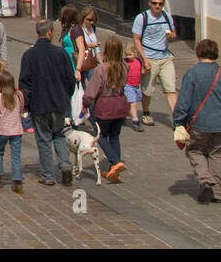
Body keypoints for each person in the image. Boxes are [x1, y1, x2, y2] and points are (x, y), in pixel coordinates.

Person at [173, 38, 221, 203]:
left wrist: (178, 120)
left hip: (200, 123)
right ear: (215, 53)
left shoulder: (192, 73)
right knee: (217, 154)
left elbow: (184, 101)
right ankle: (217, 192)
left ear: (198, 53)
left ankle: (205, 181)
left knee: (195, 150)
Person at [19, 18, 76, 186]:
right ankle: (65, 164)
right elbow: (70, 79)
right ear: (49, 32)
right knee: (59, 134)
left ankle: (48, 175)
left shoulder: (29, 55)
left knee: (44, 139)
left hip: (39, 104)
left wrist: (27, 105)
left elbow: (24, 83)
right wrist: (66, 96)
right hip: (59, 103)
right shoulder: (60, 53)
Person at [82, 36, 131, 183]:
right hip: (121, 104)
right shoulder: (124, 66)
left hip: (105, 106)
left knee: (101, 136)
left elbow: (91, 92)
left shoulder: (101, 69)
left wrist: (85, 104)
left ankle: (115, 162)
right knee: (114, 136)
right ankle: (114, 171)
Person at [132, 0, 178, 126]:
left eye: (160, 4)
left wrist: (172, 37)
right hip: (149, 58)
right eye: (154, 3)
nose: (157, 6)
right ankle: (146, 112)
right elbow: (136, 39)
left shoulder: (166, 16)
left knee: (171, 89)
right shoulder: (142, 18)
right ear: (149, 4)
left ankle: (177, 121)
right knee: (148, 90)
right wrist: (144, 59)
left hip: (165, 58)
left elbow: (174, 33)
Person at [0, 71, 25, 194]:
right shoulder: (19, 95)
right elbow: (21, 109)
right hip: (16, 130)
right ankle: (17, 181)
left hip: (2, 130)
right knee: (16, 156)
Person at [123, 42, 144, 129]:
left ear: (135, 53)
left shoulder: (139, 61)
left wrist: (144, 71)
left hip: (136, 86)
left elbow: (141, 70)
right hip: (128, 85)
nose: (128, 56)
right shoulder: (124, 62)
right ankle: (135, 121)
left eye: (130, 54)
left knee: (129, 103)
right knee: (133, 104)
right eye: (126, 54)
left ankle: (122, 114)